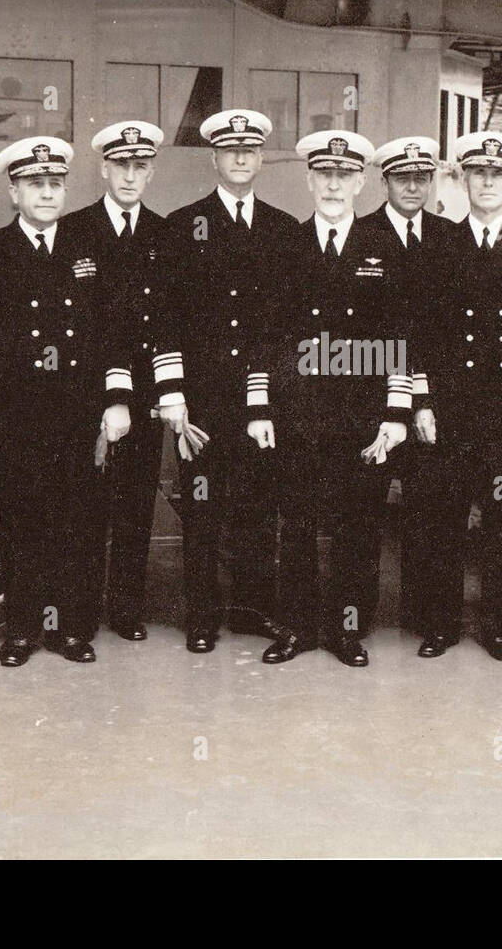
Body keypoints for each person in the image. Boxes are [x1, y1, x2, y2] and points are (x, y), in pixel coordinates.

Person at [0, 136, 133, 666]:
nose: (47, 193)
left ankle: (73, 628)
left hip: (79, 414)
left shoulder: (91, 247)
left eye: (55, 184)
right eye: (35, 184)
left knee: (81, 521)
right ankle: (24, 629)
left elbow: (113, 334)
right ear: (14, 191)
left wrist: (117, 399)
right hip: (15, 414)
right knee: (24, 520)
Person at [259, 130, 410, 667]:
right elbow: (268, 335)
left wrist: (396, 412)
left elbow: (400, 336)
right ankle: (297, 628)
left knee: (358, 527)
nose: (333, 184)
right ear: (309, 180)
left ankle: (347, 630)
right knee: (295, 523)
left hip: (362, 416)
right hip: (298, 411)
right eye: (324, 174)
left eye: (344, 175)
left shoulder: (385, 248)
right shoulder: (284, 245)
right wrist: (261, 408)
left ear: (361, 182)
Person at [157, 110, 297, 652]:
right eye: (230, 150)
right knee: (201, 507)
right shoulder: (183, 224)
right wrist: (172, 393)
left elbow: (289, 324)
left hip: (264, 398)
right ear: (213, 158)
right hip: (204, 398)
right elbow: (165, 317)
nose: (241, 158)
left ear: (260, 158)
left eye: (250, 150)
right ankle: (201, 615)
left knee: (259, 508)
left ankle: (253, 609)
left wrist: (270, 395)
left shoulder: (285, 230)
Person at [410, 130, 502, 661]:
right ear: (464, 179)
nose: (488, 182)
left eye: (499, 175)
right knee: (442, 520)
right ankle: (441, 624)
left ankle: (496, 627)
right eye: (479, 174)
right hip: (447, 409)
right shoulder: (437, 242)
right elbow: (418, 329)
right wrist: (421, 401)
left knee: (500, 520)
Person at [58, 120, 170, 643]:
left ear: (149, 172)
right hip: (85, 393)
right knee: (84, 507)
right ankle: (78, 612)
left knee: (135, 503)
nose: (130, 175)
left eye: (140, 166)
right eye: (121, 165)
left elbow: (171, 318)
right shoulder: (73, 230)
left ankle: (126, 608)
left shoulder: (164, 233)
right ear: (104, 168)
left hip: (145, 394)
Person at [362, 136, 448, 634]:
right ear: (384, 181)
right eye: (402, 177)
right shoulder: (360, 233)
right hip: (374, 401)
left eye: (422, 177)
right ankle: (361, 616)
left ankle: (424, 617)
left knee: (428, 511)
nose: (413, 186)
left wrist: (426, 396)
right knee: (364, 514)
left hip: (433, 402)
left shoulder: (449, 238)